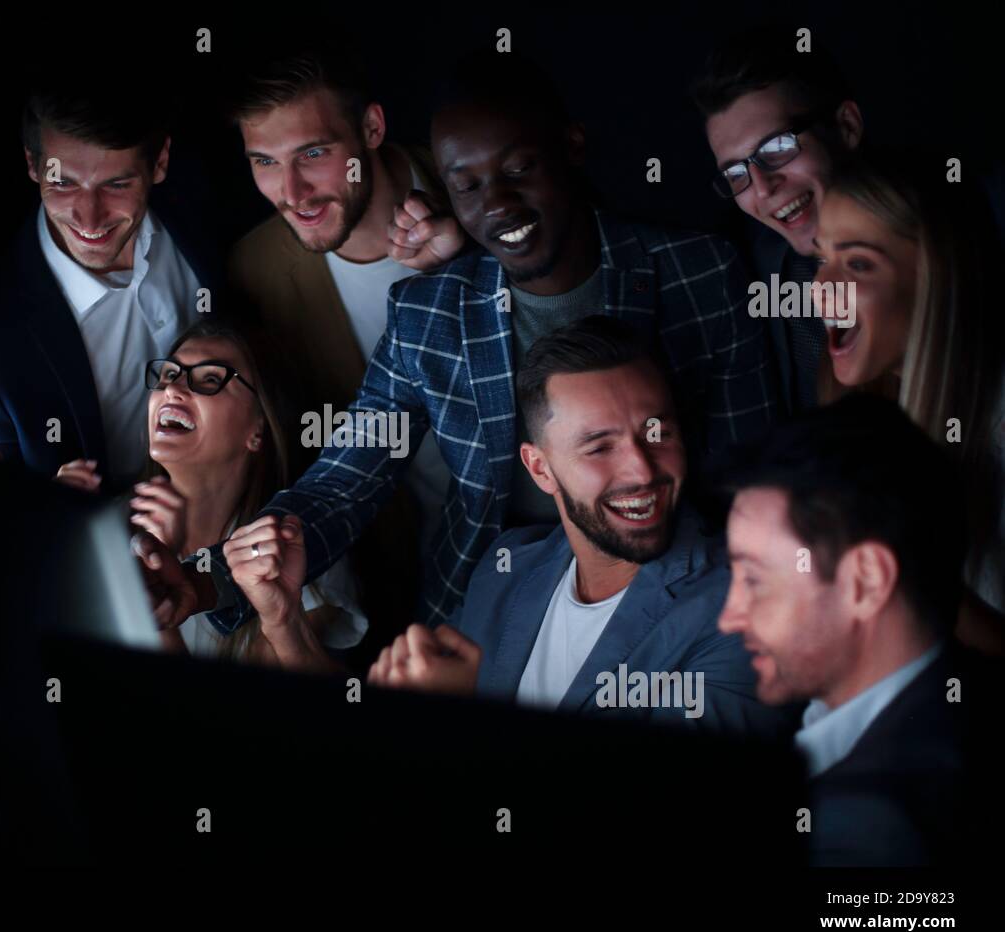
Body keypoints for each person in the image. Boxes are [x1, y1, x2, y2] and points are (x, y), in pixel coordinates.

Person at [162, 50, 776, 638]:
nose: (499, 204)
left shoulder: (697, 272)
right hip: (485, 603)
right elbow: (346, 479)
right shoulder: (429, 312)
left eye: (518, 170)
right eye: (470, 186)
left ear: (571, 147)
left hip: (674, 597)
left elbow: (747, 475)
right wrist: (206, 582)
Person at [359, 319, 791, 739]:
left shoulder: (745, 611)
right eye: (600, 447)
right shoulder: (506, 568)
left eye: (657, 433)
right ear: (540, 469)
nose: (641, 469)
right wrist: (290, 628)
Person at [226, 45, 464, 650]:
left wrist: (473, 260)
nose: (293, 191)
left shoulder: (474, 187)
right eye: (264, 161)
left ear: (372, 128)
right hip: (389, 582)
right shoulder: (255, 269)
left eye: (313, 153)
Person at [717, 394, 1001, 865]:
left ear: (866, 581)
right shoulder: (980, 690)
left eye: (754, 580)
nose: (729, 616)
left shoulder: (869, 831)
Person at [0, 88, 218, 490]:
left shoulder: (207, 201)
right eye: (63, 183)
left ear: (160, 162)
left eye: (117, 185)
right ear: (32, 164)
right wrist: (51, 509)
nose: (90, 217)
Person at [60, 320, 364, 669]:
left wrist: (154, 588)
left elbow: (222, 720)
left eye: (210, 379)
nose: (173, 390)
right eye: (168, 375)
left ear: (258, 428)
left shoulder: (293, 544)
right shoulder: (99, 528)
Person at [812, 152, 1005, 645]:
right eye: (821, 258)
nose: (820, 287)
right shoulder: (866, 417)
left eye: (857, 263)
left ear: (936, 278)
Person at [693, 24, 863, 416]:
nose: (763, 188)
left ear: (847, 127)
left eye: (777, 146)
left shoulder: (958, 246)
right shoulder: (750, 272)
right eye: (736, 173)